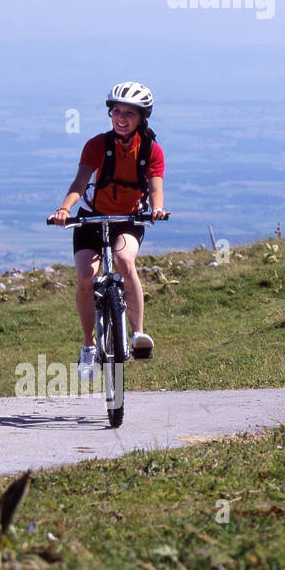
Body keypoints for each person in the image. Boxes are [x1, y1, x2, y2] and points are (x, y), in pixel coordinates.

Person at [47, 82, 169, 380]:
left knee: (126, 262)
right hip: (91, 216)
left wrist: (157, 208)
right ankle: (89, 346)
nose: (121, 118)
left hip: (128, 219)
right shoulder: (96, 145)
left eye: (129, 113)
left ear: (143, 117)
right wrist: (64, 209)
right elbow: (80, 182)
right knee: (86, 279)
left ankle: (138, 335)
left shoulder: (152, 150)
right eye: (116, 111)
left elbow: (156, 186)